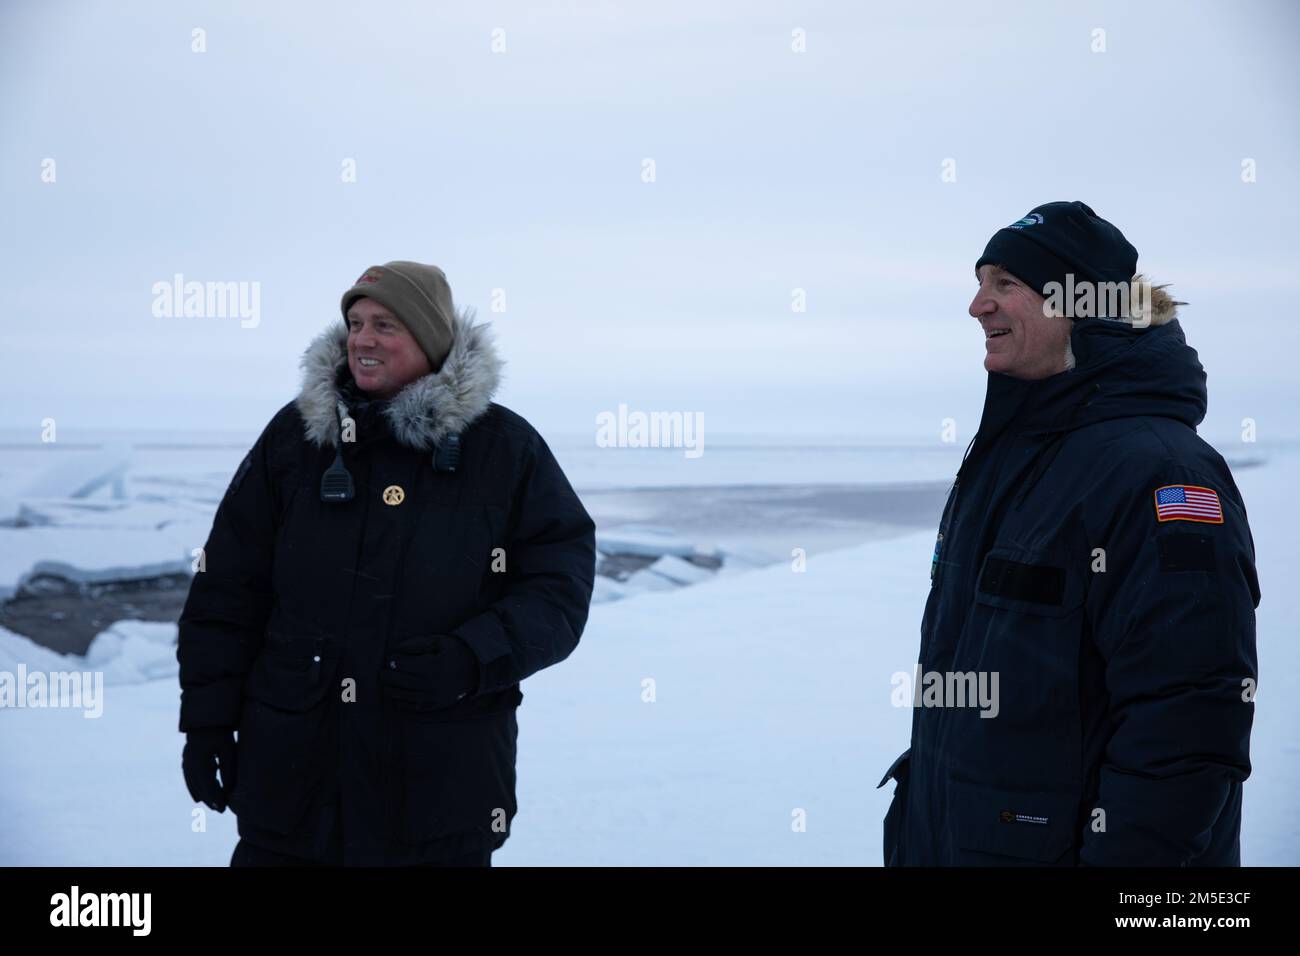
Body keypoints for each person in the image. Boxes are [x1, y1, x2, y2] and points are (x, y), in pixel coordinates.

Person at [177, 260, 596, 866]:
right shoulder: (296, 440)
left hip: (439, 796)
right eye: (355, 322)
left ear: (429, 339)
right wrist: (207, 724)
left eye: (385, 324)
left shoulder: (505, 448)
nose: (363, 339)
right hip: (292, 789)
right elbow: (226, 591)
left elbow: (559, 590)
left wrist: (473, 657)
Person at [879, 202, 1260, 866]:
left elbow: (1187, 729)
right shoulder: (1009, 458)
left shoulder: (1159, 472)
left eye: (1005, 284)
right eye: (980, 281)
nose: (977, 305)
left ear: (1081, 302)